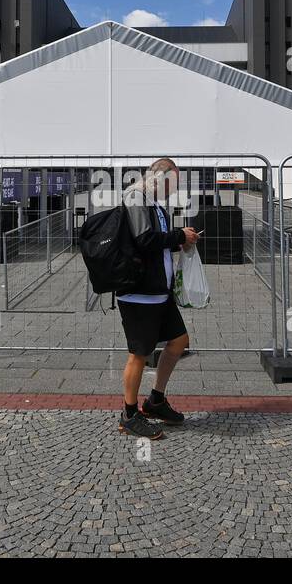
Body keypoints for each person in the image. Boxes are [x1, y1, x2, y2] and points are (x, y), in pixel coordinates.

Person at [115, 158, 200, 439]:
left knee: (179, 340)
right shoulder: (136, 197)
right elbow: (144, 239)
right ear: (159, 178)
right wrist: (178, 235)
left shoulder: (154, 202)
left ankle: (156, 400)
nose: (172, 190)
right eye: (171, 184)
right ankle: (129, 414)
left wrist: (179, 241)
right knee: (139, 354)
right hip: (140, 292)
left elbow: (156, 241)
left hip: (157, 291)